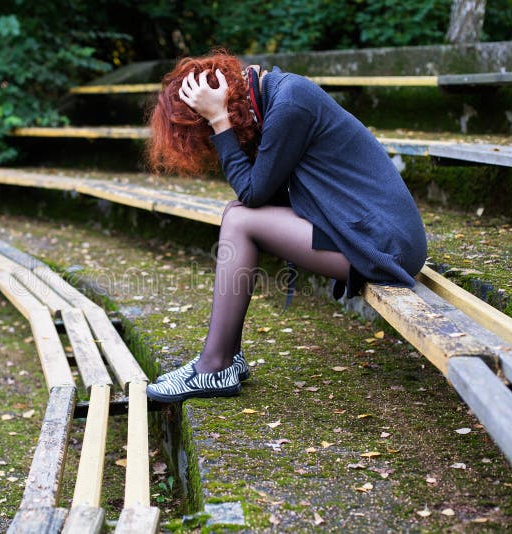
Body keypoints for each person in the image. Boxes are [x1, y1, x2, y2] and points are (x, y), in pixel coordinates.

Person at [144, 51, 427, 403]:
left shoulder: (290, 102)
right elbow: (264, 195)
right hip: (358, 230)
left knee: (240, 218)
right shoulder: (274, 99)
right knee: (237, 214)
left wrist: (219, 122)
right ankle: (224, 361)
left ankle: (214, 366)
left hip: (384, 245)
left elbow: (253, 194)